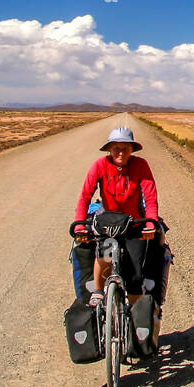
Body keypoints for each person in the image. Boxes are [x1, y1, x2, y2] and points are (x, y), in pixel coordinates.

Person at [72, 126, 165, 349]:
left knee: (134, 277)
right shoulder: (99, 166)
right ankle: (98, 293)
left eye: (125, 149)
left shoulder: (141, 166)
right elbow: (85, 196)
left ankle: (134, 328)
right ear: (109, 150)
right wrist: (80, 225)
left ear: (132, 149)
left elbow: (150, 196)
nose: (121, 153)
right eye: (116, 149)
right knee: (104, 256)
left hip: (133, 224)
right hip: (108, 223)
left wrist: (151, 222)